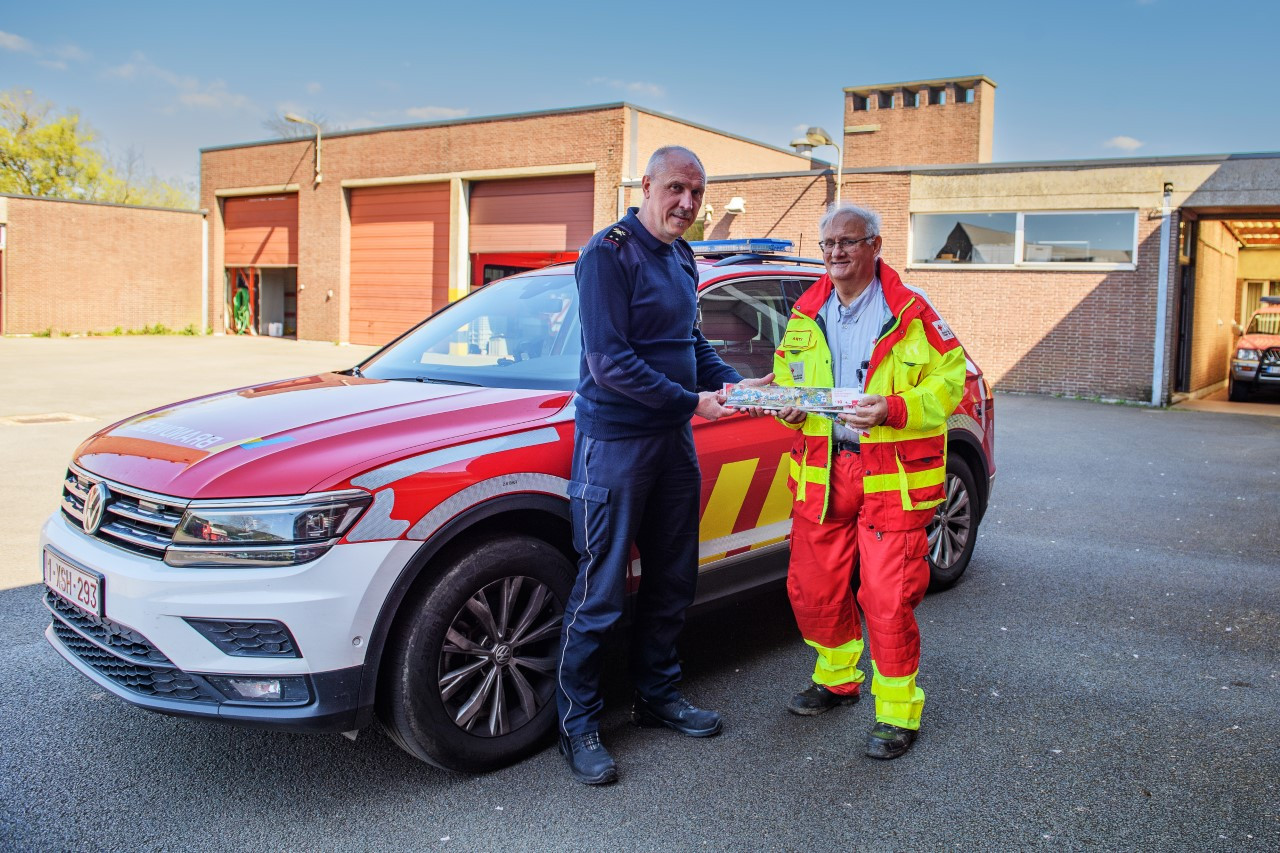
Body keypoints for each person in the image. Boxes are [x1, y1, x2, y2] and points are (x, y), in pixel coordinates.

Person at [555, 146, 773, 785]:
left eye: (697, 194)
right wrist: (693, 402)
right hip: (617, 444)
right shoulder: (607, 254)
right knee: (599, 591)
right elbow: (610, 364)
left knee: (674, 578)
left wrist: (733, 385)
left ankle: (656, 696)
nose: (686, 204)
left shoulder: (682, 255)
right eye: (676, 188)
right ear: (646, 185)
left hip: (672, 443)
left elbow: (690, 342)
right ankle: (578, 725)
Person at [771, 202, 964, 760]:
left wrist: (896, 408)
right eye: (828, 243)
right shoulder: (807, 312)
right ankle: (836, 679)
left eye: (848, 242)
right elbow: (792, 378)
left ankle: (897, 713)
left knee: (886, 597)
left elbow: (953, 383)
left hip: (891, 474)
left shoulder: (911, 311)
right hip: (824, 467)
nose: (835, 253)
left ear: (875, 247)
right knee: (815, 586)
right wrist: (790, 406)